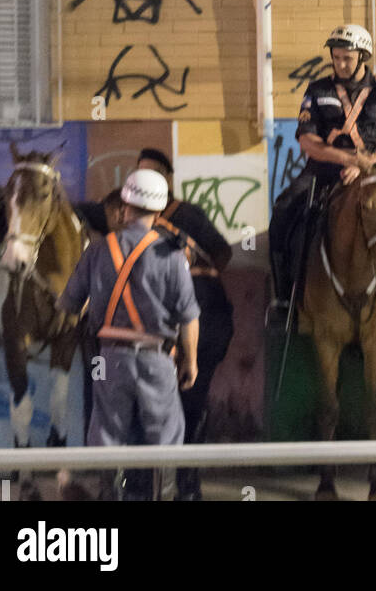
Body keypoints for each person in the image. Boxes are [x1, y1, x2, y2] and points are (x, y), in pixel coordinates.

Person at [269, 24, 376, 329]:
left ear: (363, 57)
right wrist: (345, 158)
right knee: (283, 210)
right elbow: (306, 140)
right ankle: (283, 299)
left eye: (347, 58)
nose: (340, 63)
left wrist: (365, 164)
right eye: (336, 57)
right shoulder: (317, 90)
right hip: (326, 170)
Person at [57, 169, 199, 501]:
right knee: (165, 436)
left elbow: (69, 306)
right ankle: (161, 497)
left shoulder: (97, 250)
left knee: (107, 432)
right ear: (159, 211)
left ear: (124, 207)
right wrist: (190, 361)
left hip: (108, 359)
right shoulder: (172, 255)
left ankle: (110, 497)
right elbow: (189, 317)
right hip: (157, 359)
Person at [134, 147, 234, 502]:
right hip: (149, 334)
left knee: (192, 406)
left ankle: (188, 482)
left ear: (168, 180)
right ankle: (144, 487)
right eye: (141, 174)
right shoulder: (128, 219)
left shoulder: (188, 215)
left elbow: (222, 251)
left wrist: (190, 277)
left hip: (201, 325)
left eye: (154, 174)